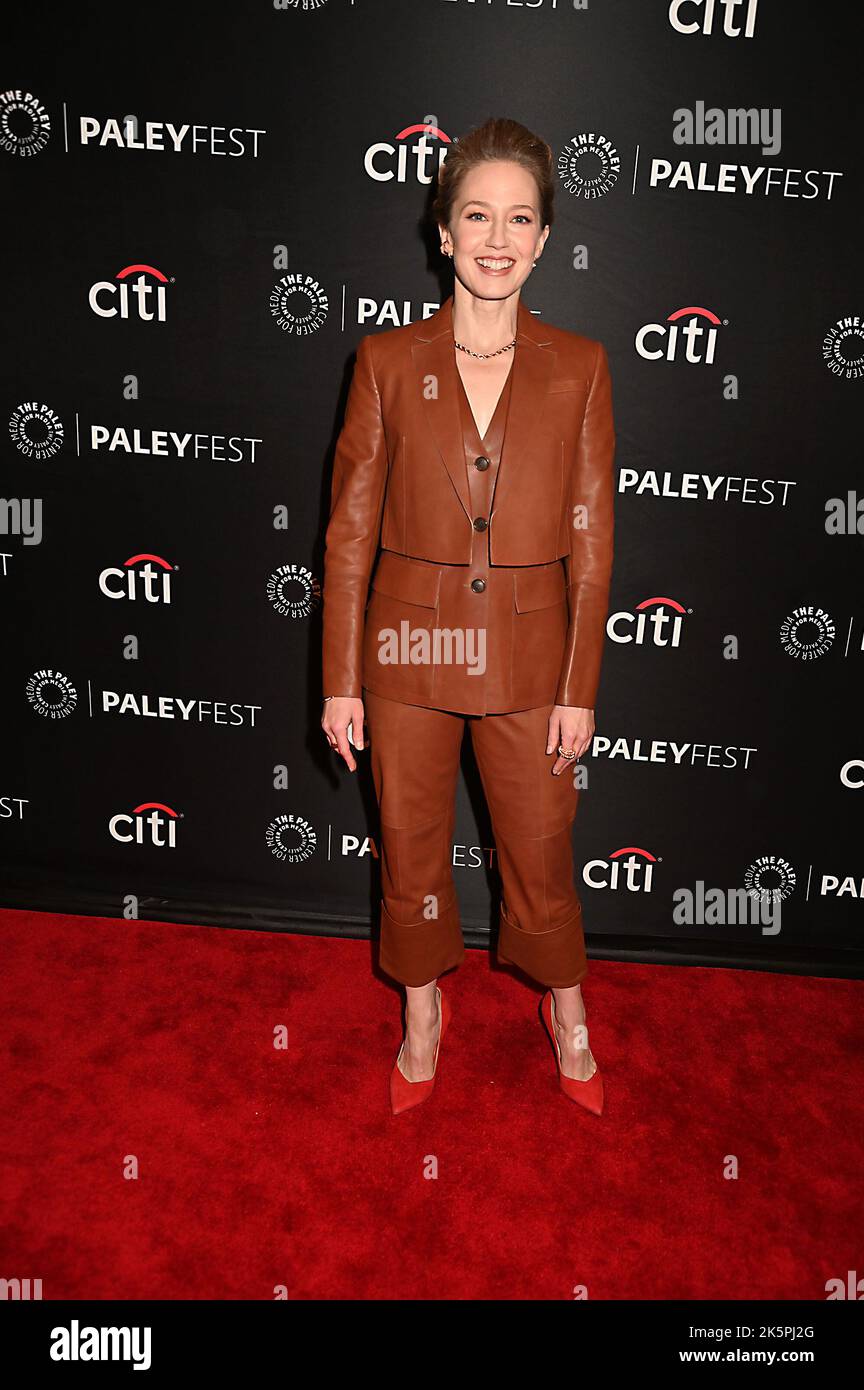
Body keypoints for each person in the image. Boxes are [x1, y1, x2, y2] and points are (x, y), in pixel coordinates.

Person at [320, 116, 615, 1117]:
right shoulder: (388, 361)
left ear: (544, 239)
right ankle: (422, 1016)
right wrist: (340, 679)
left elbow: (593, 545)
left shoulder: (580, 366)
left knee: (540, 849)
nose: (497, 238)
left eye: (519, 218)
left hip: (532, 659)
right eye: (476, 215)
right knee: (408, 846)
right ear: (442, 231)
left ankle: (567, 1012)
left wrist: (581, 689)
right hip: (407, 648)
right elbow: (349, 531)